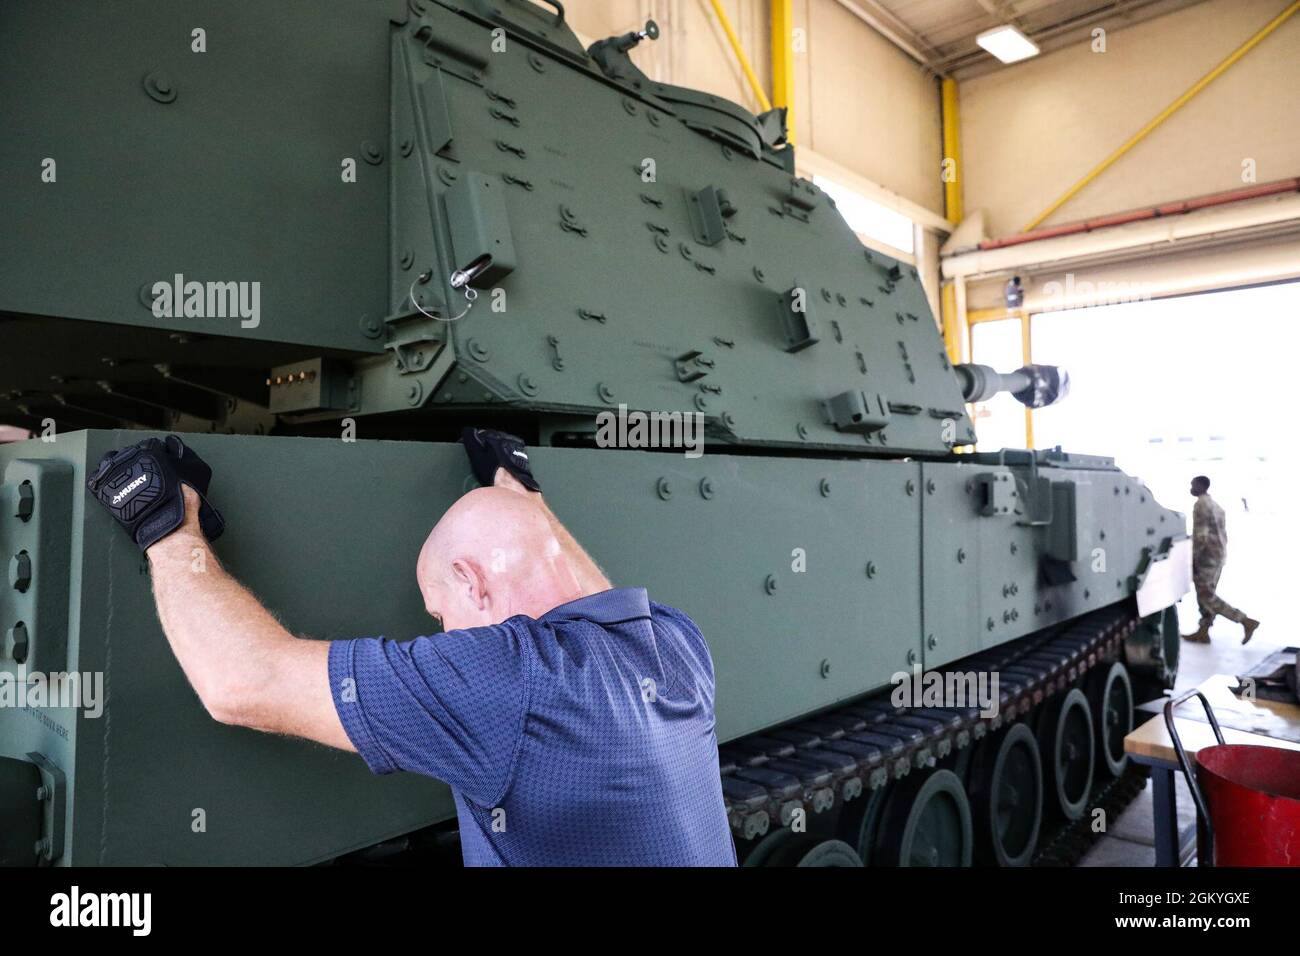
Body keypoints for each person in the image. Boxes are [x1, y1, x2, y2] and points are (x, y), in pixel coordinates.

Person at [85, 429, 736, 866]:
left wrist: (163, 524)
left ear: (472, 583)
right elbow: (580, 584)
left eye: (439, 610)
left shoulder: (505, 682)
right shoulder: (674, 641)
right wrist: (518, 491)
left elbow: (242, 683)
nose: (441, 632)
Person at [1184, 475, 1259, 645]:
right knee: (1207, 593)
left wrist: (1193, 559)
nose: (1191, 488)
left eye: (1193, 484)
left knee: (1206, 595)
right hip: (1218, 555)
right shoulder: (1215, 505)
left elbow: (1201, 536)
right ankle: (1203, 631)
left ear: (1201, 486)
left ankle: (1245, 621)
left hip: (1206, 556)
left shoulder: (1201, 504)